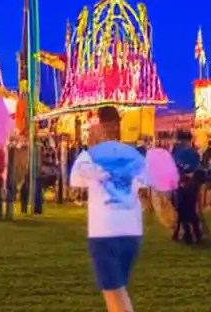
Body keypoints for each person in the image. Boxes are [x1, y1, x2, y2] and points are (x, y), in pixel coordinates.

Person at [69, 106, 150, 312]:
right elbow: (147, 184)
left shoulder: (91, 156)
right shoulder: (133, 155)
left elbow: (75, 180)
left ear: (99, 125)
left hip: (104, 232)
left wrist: (90, 148)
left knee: (115, 295)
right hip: (131, 231)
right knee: (117, 291)